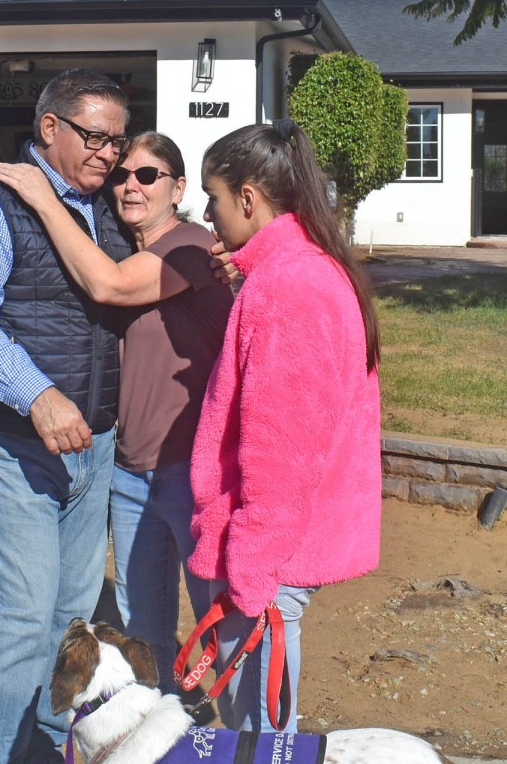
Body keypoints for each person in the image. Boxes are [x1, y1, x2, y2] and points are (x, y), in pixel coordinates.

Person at [0, 68, 134, 764]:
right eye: (95, 137)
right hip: (13, 445)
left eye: (118, 140)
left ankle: (55, 749)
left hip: (94, 447)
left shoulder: (111, 209)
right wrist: (38, 395)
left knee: (69, 619)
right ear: (49, 128)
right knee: (20, 619)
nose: (109, 154)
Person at [0, 131, 233, 694]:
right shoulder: (129, 247)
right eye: (123, 174)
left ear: (176, 188)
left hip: (191, 469)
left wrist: (45, 200)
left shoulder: (192, 247)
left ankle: (250, 739)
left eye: (148, 176)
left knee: (218, 622)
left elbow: (109, 287)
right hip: (130, 470)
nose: (131, 184)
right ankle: (161, 729)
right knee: (143, 626)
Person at [188, 119, 382, 733]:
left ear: (248, 198)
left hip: (273, 555)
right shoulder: (298, 270)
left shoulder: (291, 285)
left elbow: (283, 450)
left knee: (265, 735)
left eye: (213, 199)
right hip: (280, 546)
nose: (208, 214)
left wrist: (252, 567)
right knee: (263, 728)